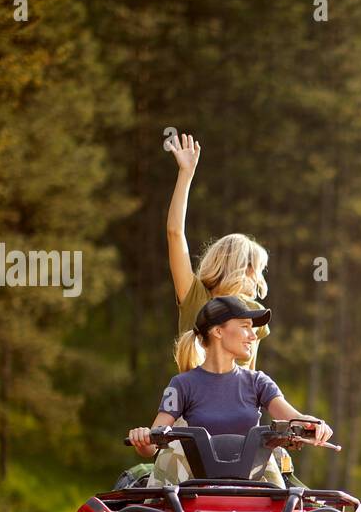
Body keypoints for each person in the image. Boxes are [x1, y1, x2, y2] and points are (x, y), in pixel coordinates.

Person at [127, 296, 331, 486]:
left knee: (276, 460)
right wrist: (142, 438)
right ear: (218, 331)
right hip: (197, 486)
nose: (253, 336)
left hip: (250, 484)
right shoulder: (182, 384)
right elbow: (152, 445)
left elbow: (294, 419)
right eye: (245, 327)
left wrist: (313, 425)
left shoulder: (258, 381)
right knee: (169, 452)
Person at [165, 132, 271, 372]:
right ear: (239, 268)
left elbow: (251, 379)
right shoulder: (196, 298)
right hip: (197, 408)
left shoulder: (255, 312)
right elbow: (174, 232)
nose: (260, 278)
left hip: (238, 410)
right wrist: (186, 174)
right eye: (256, 268)